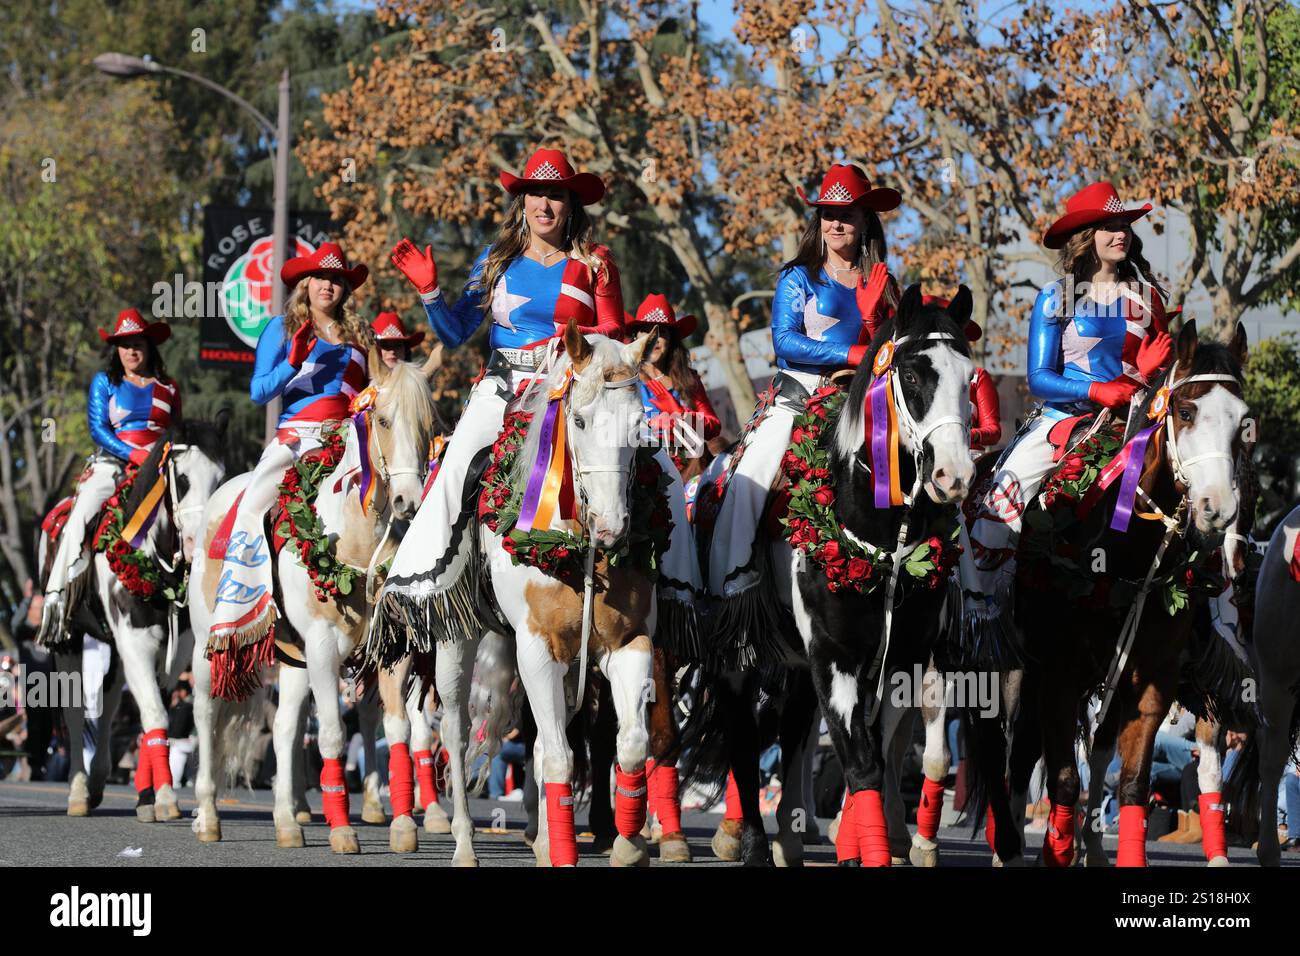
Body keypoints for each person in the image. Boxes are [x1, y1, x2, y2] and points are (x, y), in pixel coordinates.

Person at [381, 146, 625, 632]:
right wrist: (431, 293)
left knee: (642, 459)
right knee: (454, 466)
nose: (545, 205)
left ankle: (681, 590)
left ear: (570, 204)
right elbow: (454, 334)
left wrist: (577, 354)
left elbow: (613, 336)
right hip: (503, 386)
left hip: (567, 390)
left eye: (555, 195)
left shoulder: (596, 264)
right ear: (523, 201)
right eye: (537, 193)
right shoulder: (495, 260)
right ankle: (416, 584)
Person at [706, 163, 900, 657]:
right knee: (747, 480)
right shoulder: (799, 276)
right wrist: (852, 354)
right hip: (799, 399)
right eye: (828, 215)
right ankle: (734, 600)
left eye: (848, 215)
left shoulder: (883, 280)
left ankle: (950, 602)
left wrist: (880, 319)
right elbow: (785, 342)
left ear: (865, 222)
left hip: (863, 403)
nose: (837, 225)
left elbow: (898, 348)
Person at [962, 182, 1173, 633]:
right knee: (995, 506)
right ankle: (982, 623)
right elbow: (1039, 379)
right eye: (1109, 227)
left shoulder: (1149, 298)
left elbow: (1161, 377)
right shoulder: (1055, 296)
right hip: (1063, 421)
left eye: (1124, 227)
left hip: (1134, 425)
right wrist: (1099, 391)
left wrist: (1148, 376)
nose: (1121, 235)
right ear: (1086, 236)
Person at [208, 242, 371, 648]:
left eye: (336, 279)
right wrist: (293, 360)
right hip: (298, 437)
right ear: (306, 283)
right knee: (250, 507)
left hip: (351, 438)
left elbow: (373, 390)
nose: (328, 286)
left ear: (344, 289)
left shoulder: (360, 334)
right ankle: (238, 613)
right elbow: (259, 391)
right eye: (321, 277)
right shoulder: (279, 329)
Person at [39, 309, 180, 642]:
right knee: (81, 513)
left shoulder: (169, 388)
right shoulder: (106, 383)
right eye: (124, 345)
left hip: (160, 468)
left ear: (149, 347)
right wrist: (134, 455)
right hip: (113, 466)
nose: (131, 351)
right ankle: (56, 596)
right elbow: (98, 429)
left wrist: (160, 458)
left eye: (137, 344)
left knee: (194, 511)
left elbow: (178, 431)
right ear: (116, 350)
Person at [626, 293, 721, 477]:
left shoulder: (688, 379)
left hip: (689, 470)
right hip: (642, 473)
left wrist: (679, 417)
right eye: (646, 330)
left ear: (671, 340)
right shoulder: (626, 380)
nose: (654, 338)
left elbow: (714, 425)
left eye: (661, 332)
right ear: (636, 337)